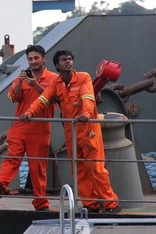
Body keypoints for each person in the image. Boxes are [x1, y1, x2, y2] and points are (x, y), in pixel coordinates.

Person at [20, 50, 122, 213]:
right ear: (57, 65)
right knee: (79, 169)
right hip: (71, 133)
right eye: (64, 60)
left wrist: (86, 114)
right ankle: (90, 204)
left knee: (96, 167)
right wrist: (29, 112)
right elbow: (44, 99)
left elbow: (87, 98)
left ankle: (111, 204)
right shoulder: (56, 83)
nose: (68, 62)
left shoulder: (83, 77)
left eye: (70, 59)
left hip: (88, 130)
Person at [0, 45, 58, 211]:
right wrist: (20, 81)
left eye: (36, 58)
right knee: (13, 156)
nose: (33, 62)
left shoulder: (53, 78)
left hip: (40, 126)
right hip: (20, 124)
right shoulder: (23, 76)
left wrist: (34, 85)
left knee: (37, 166)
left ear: (43, 58)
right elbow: (13, 97)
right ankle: (0, 185)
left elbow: (53, 100)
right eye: (30, 59)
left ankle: (41, 203)